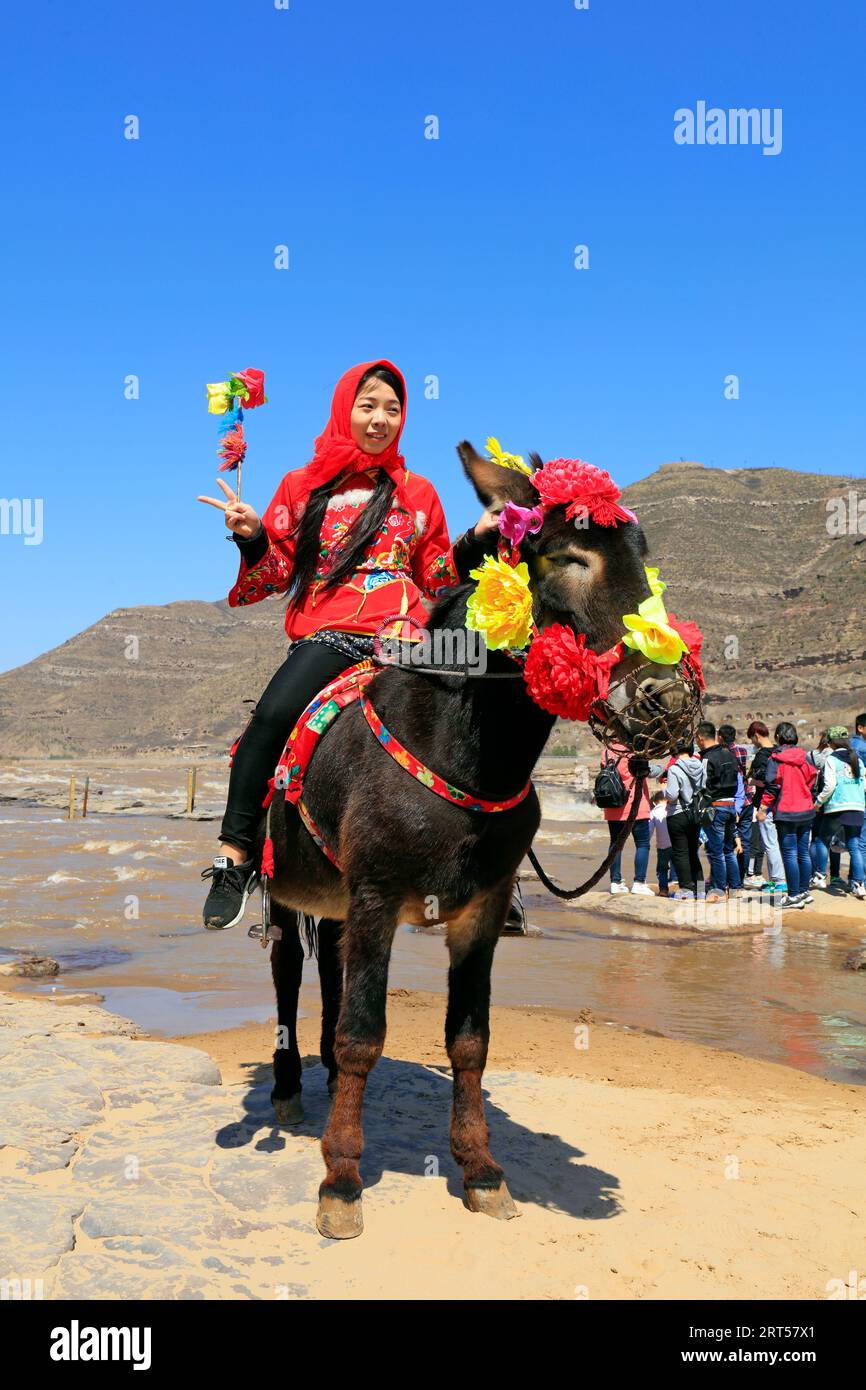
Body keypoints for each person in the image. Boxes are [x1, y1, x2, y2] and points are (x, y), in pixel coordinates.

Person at [196, 360, 497, 928]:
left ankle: (490, 864)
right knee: (271, 718)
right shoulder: (301, 486)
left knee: (493, 689)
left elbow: (436, 575)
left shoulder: (419, 491)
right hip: (333, 633)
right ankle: (235, 855)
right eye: (368, 407)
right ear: (344, 410)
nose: (381, 419)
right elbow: (276, 574)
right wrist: (254, 534)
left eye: (393, 409)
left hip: (406, 638)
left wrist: (478, 537)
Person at [763, 722, 817, 909]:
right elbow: (812, 778)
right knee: (803, 852)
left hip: (786, 812)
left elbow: (772, 786)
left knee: (790, 854)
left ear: (777, 737)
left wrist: (763, 806)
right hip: (806, 810)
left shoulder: (775, 759)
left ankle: (793, 896)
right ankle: (803, 892)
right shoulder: (805, 758)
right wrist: (803, 792)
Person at [813, 727, 866, 898]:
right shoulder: (856, 759)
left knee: (822, 839)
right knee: (854, 845)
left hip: (837, 807)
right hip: (857, 806)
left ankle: (820, 875)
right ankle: (859, 885)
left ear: (831, 742)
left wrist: (818, 802)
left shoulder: (832, 759)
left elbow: (829, 786)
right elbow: (864, 784)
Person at [603, 752, 665, 895]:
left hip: (614, 805)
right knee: (642, 844)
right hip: (637, 806)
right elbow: (649, 772)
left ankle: (615, 883)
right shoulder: (635, 752)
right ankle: (639, 883)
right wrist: (662, 767)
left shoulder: (606, 751)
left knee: (615, 845)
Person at [696, 720, 741, 901]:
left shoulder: (708, 758)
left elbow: (703, 785)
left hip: (716, 808)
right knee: (728, 850)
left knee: (715, 852)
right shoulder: (729, 754)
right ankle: (736, 888)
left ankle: (718, 890)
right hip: (731, 806)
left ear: (700, 738)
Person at [745, 721, 786, 892]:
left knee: (770, 844)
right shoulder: (779, 750)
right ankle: (780, 879)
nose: (752, 743)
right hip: (783, 802)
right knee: (781, 844)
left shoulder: (762, 756)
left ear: (756, 735)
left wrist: (750, 781)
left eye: (752, 739)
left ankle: (778, 881)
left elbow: (765, 782)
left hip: (766, 803)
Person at [664, 736, 706, 899]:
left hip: (678, 814)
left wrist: (664, 793)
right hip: (696, 814)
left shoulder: (674, 769)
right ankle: (701, 889)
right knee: (692, 852)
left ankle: (687, 890)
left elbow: (672, 795)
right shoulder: (701, 766)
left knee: (680, 853)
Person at [649, 789, 675, 896]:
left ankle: (663, 890)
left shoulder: (654, 812)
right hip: (677, 844)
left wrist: (645, 843)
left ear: (655, 802)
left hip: (662, 846)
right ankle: (682, 886)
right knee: (681, 865)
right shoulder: (672, 809)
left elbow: (649, 831)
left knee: (662, 869)